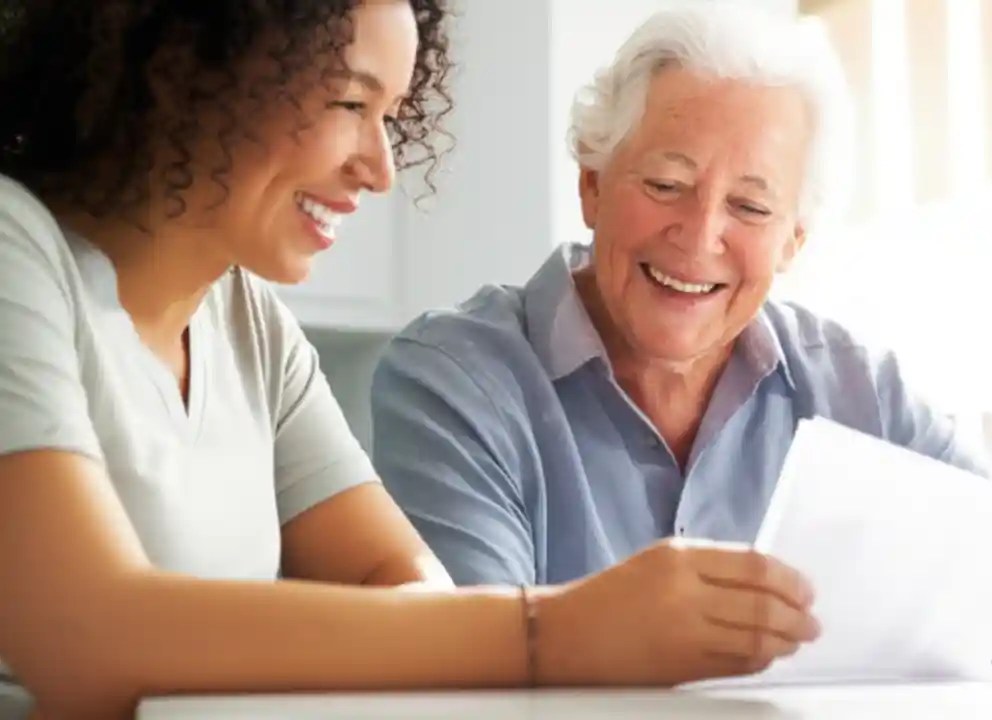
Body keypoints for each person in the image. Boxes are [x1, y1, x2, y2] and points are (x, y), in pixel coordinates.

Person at [371, 3, 992, 668]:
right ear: (593, 185)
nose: (699, 236)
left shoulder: (856, 389)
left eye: (751, 206)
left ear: (794, 241)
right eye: (666, 183)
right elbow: (471, 654)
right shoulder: (457, 379)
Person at [0, 2, 821, 718]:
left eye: (391, 114)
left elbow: (399, 577)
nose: (380, 168)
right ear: (188, 71)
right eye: (349, 103)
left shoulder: (250, 323)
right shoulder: (15, 251)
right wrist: (555, 630)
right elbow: (85, 635)